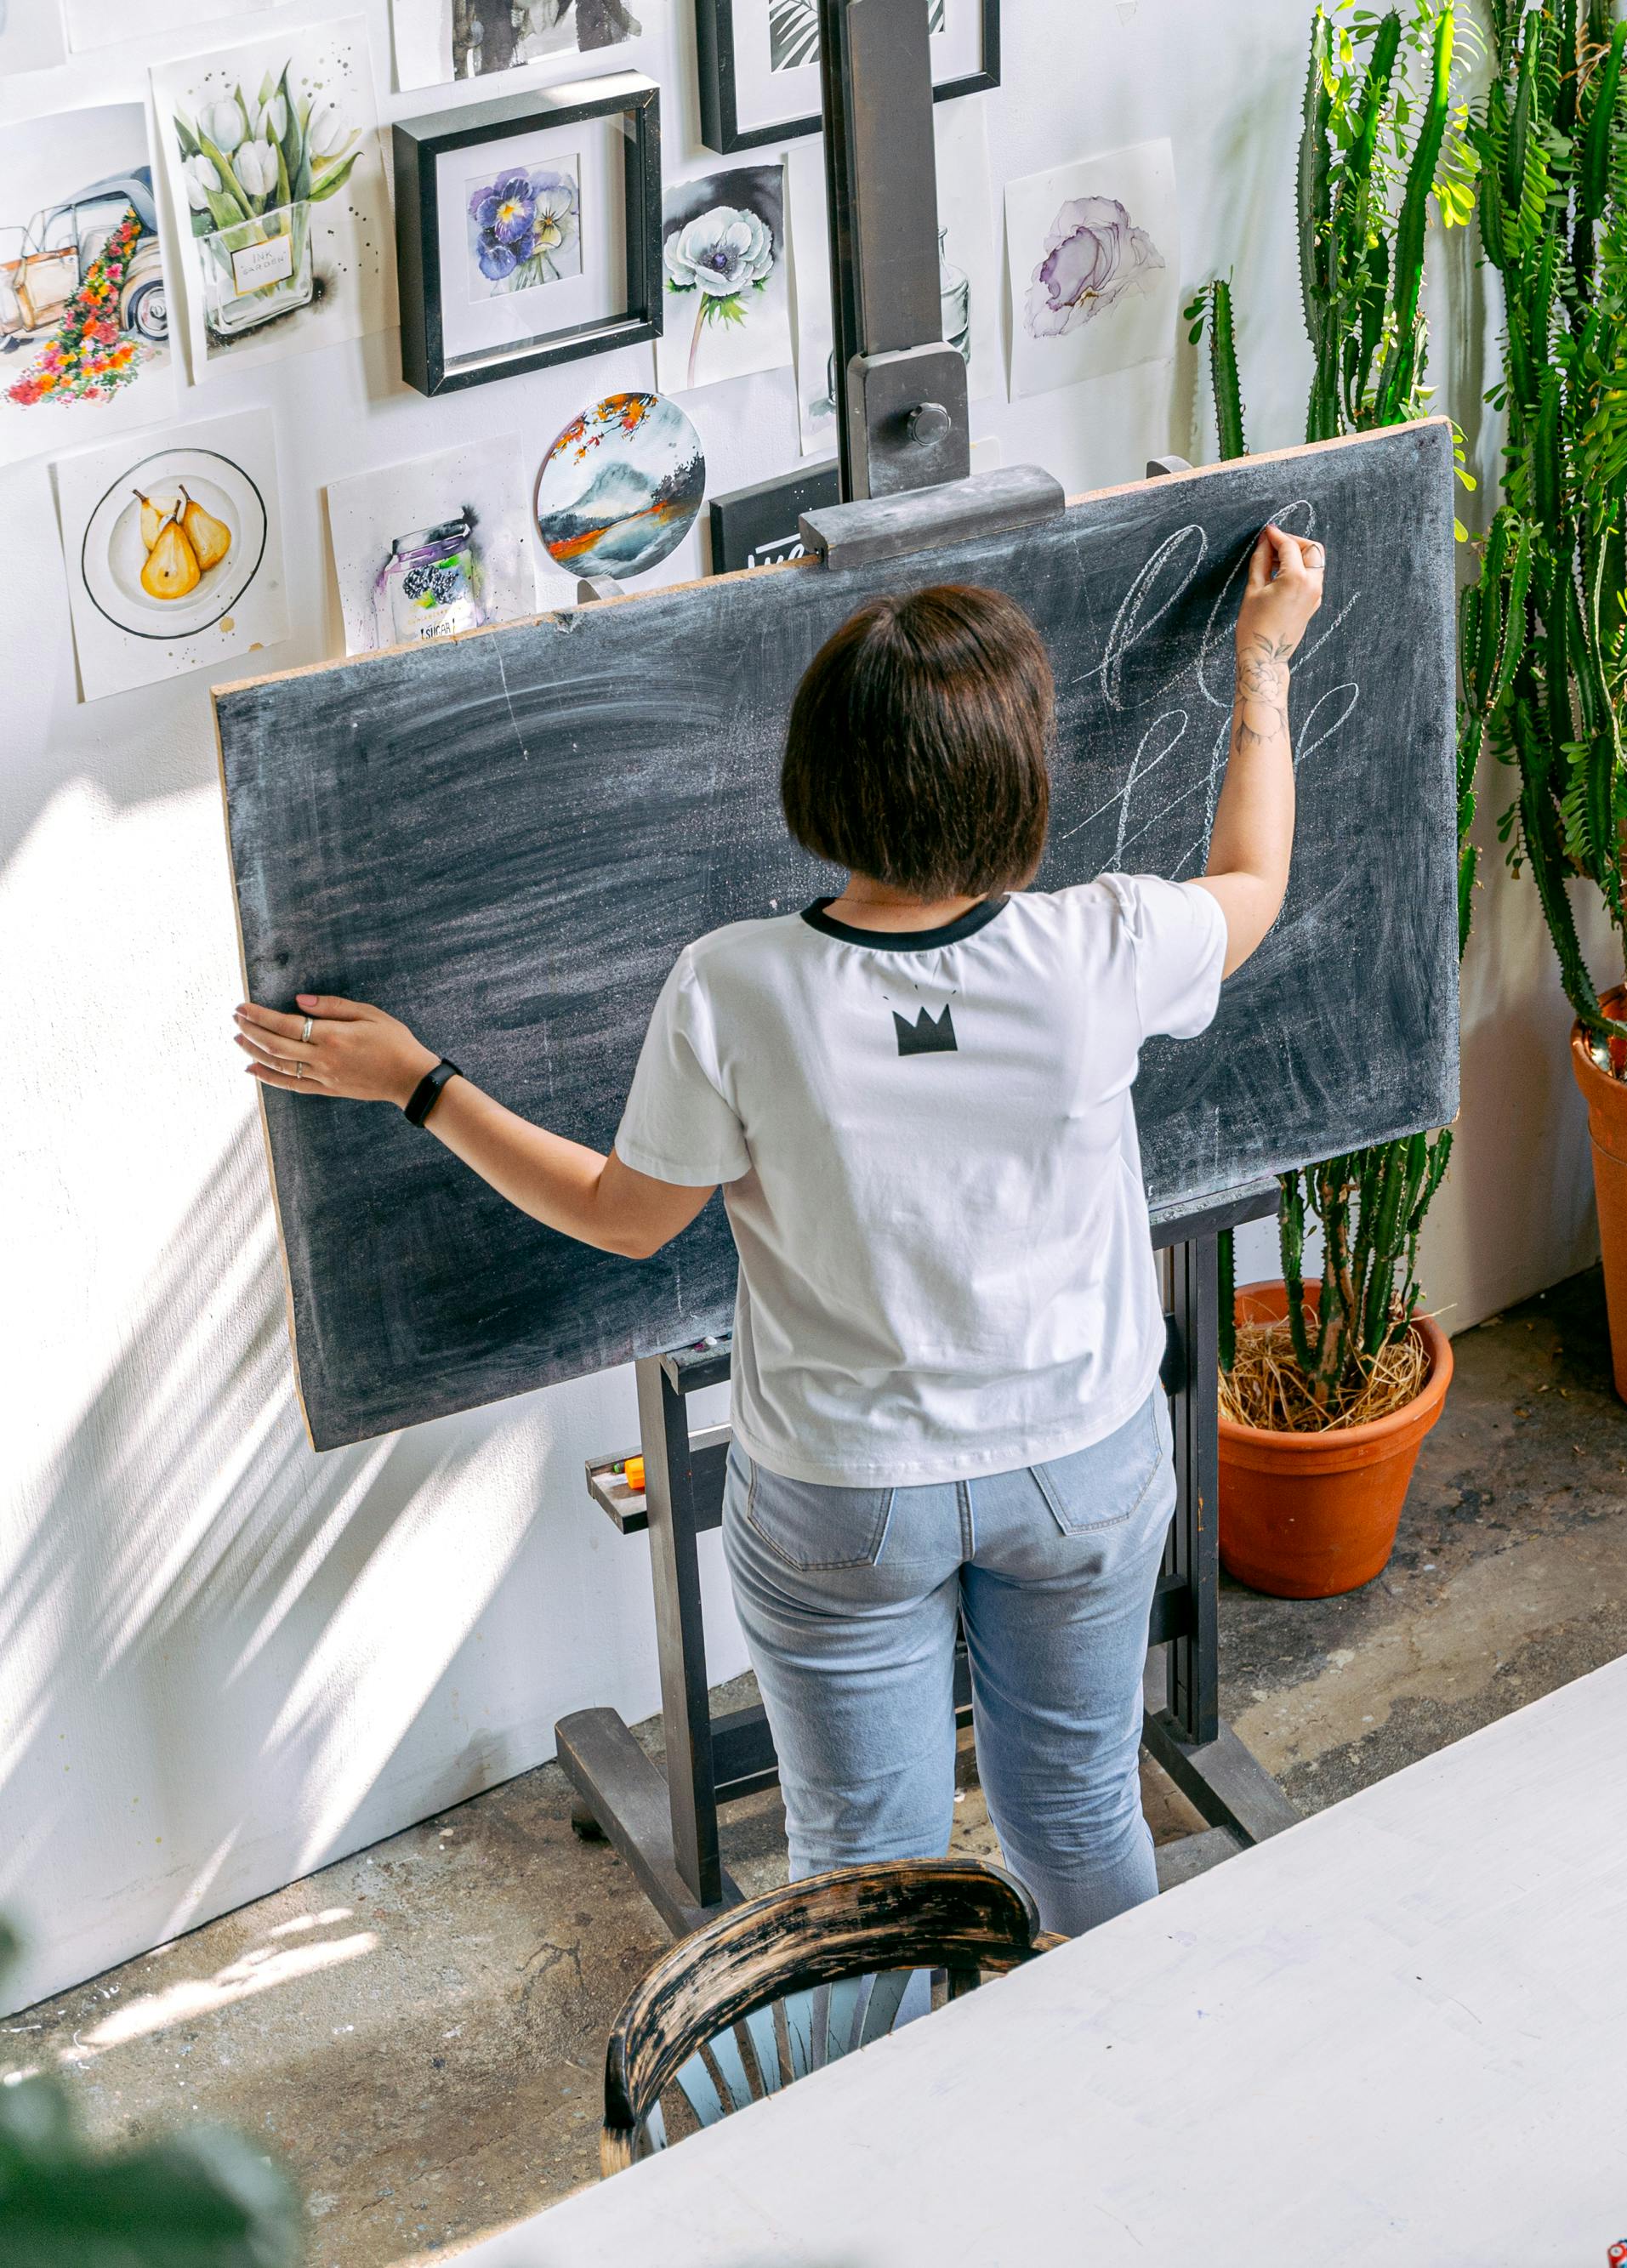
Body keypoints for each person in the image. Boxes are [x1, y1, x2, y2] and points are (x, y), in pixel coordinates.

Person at [230, 529, 1327, 1934]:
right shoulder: (1097, 948)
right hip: (1080, 1463)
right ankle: (1124, 2100)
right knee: (1082, 1812)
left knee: (861, 1874)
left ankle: (875, 2134)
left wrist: (420, 1082)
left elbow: (622, 1218)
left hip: (842, 1491)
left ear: (817, 778)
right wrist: (1263, 664)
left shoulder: (736, 989)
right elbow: (1255, 880)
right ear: (1017, 783)